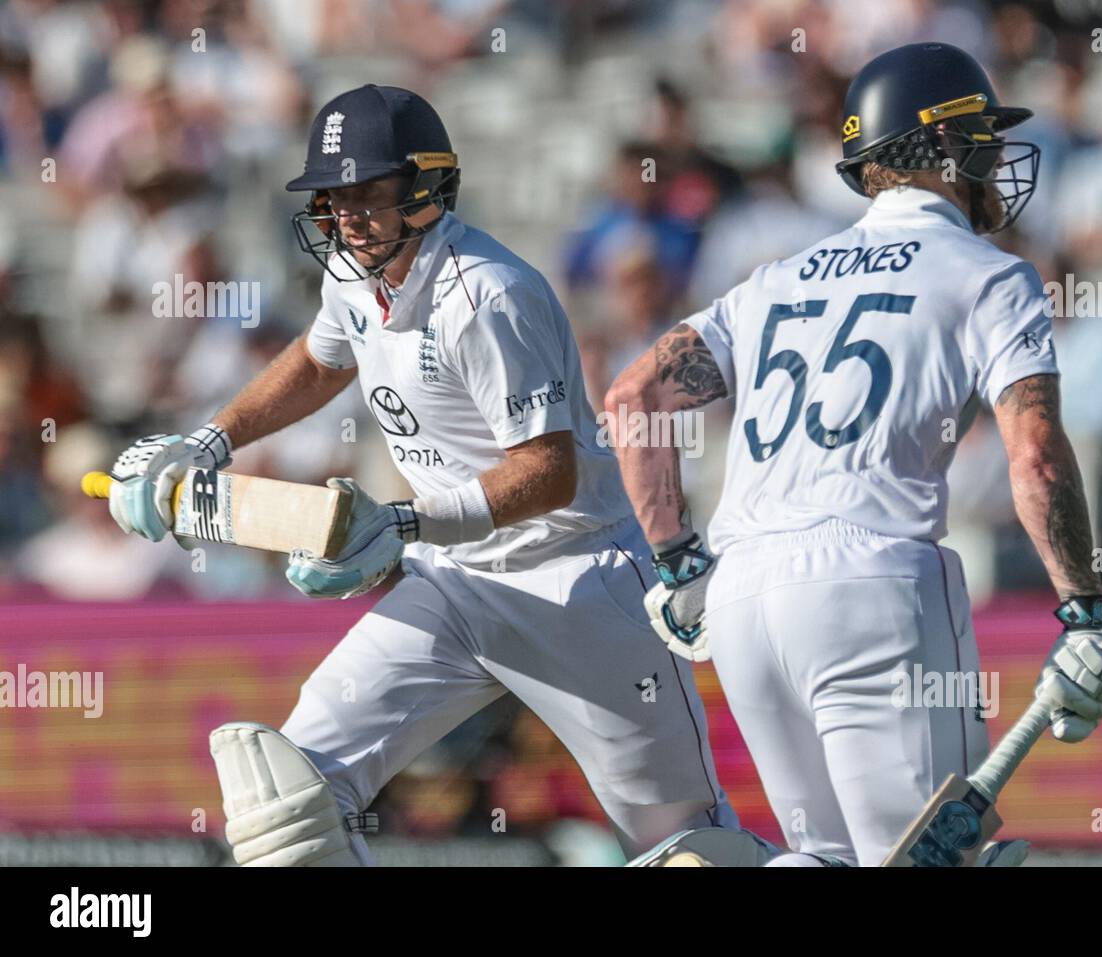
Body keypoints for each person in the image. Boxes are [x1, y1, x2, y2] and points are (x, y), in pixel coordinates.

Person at [104, 84, 737, 865]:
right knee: (290, 803)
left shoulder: (490, 294)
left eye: (370, 193)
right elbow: (316, 359)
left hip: (576, 581)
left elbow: (550, 472)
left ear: (428, 187)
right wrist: (208, 441)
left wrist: (401, 523)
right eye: (335, 197)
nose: (346, 216)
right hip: (454, 580)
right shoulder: (352, 274)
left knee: (691, 849)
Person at [605, 43, 1102, 867]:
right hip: (872, 584)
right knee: (933, 861)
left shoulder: (775, 279)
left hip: (744, 591)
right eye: (981, 138)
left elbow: (633, 398)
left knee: (827, 857)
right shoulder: (990, 275)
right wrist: (1085, 609)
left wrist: (679, 564)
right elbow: (1035, 455)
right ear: (940, 146)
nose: (996, 161)